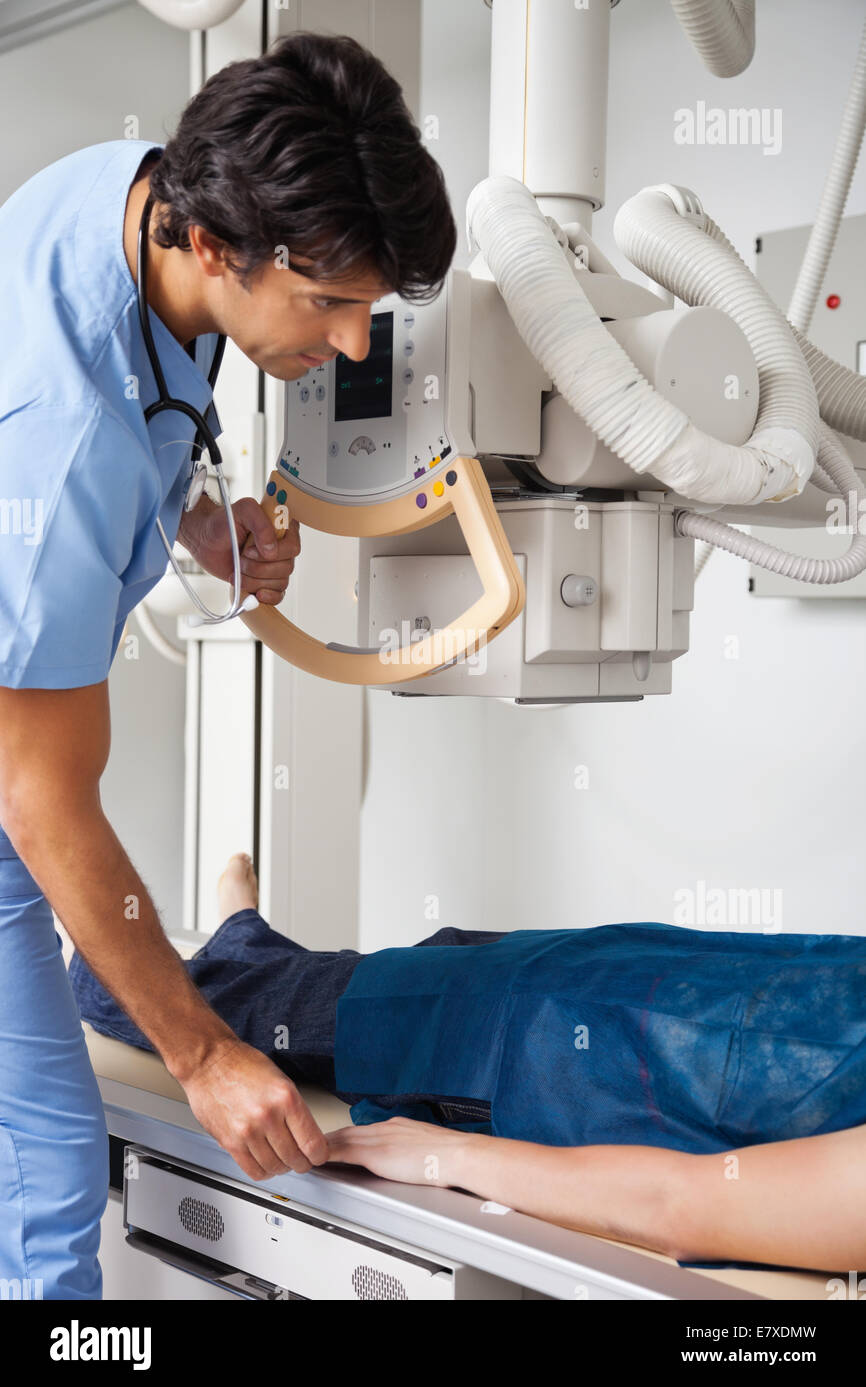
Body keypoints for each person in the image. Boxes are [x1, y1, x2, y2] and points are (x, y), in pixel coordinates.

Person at [0, 32, 456, 1298]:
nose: (356, 345)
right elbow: (38, 802)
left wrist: (199, 519)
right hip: (8, 780)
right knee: (41, 1167)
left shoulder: (144, 190)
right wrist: (202, 1057)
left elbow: (156, 397)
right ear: (212, 247)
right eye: (327, 305)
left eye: (371, 306)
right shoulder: (61, 435)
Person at [72, 853, 866, 1275]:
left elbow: (680, 1206)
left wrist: (442, 1153)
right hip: (657, 972)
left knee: (112, 988)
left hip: (555, 1054)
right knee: (422, 960)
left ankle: (242, 945)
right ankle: (250, 941)